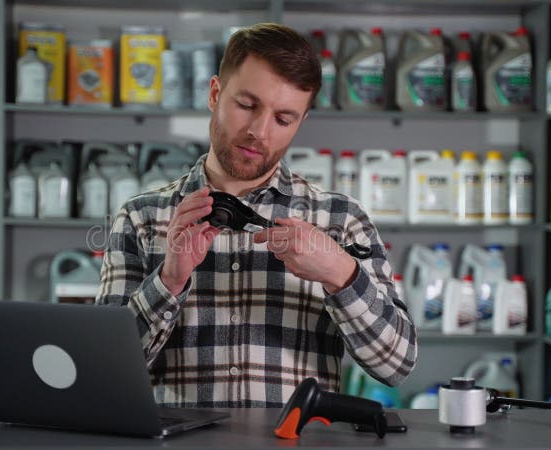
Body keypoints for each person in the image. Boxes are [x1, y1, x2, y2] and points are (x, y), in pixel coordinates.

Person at [96, 23, 417, 408]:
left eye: (283, 119)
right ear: (215, 93)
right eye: (247, 105)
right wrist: (169, 280)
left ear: (300, 123)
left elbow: (396, 365)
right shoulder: (140, 217)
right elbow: (107, 371)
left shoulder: (341, 218)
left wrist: (339, 273)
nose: (258, 132)